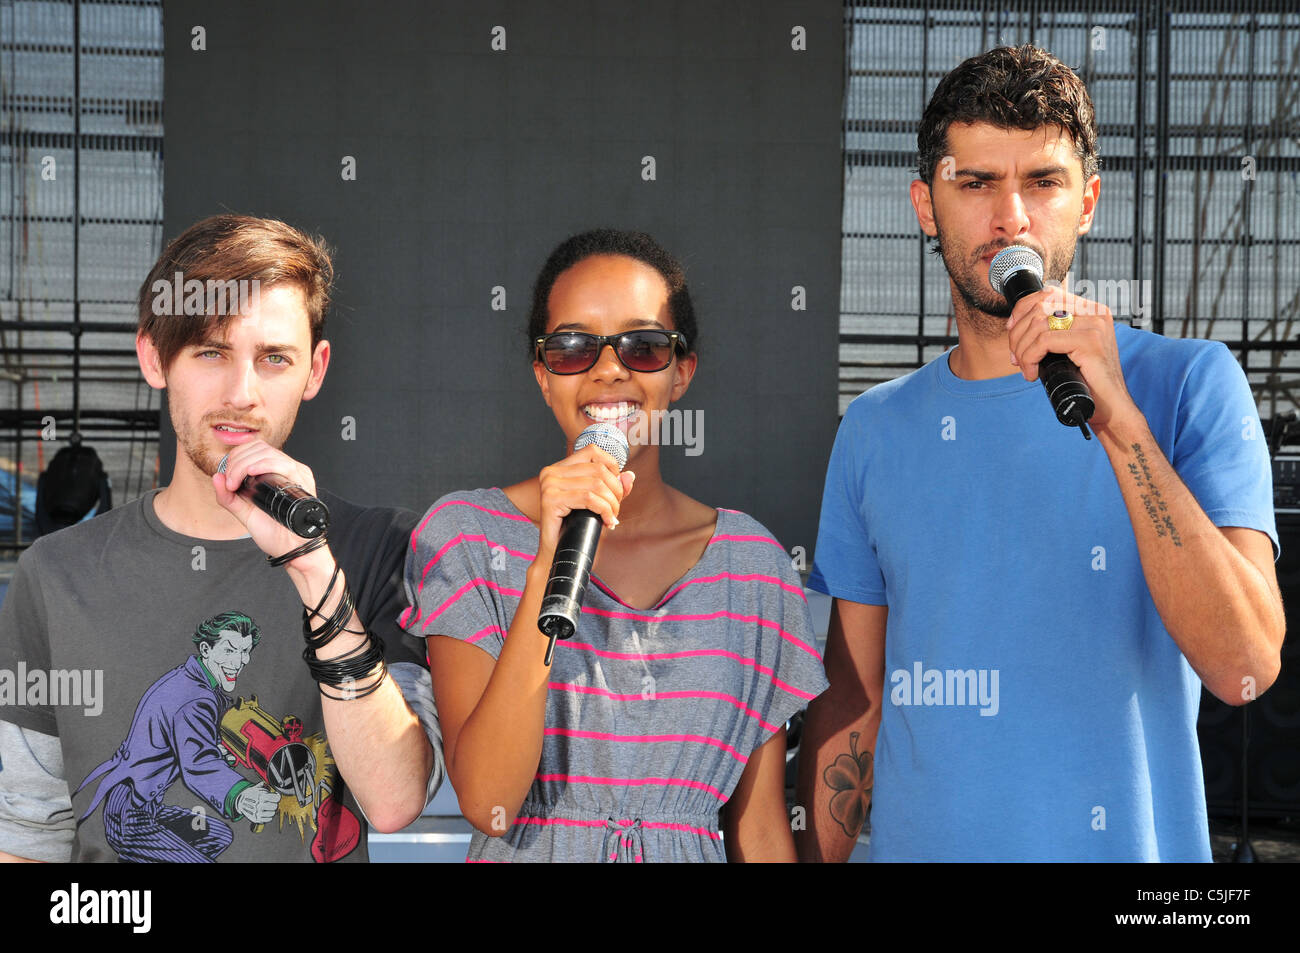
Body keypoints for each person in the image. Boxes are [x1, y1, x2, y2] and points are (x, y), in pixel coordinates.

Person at [795, 45, 1284, 862]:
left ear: (1087, 201)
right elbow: (855, 699)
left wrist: (1118, 422)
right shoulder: (874, 429)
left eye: (1043, 182)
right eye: (976, 181)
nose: (1010, 216)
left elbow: (1243, 664)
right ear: (926, 204)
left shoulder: (1189, 385)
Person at [0, 214, 441, 863]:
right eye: (211, 350)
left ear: (315, 370)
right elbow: (27, 836)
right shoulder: (55, 574)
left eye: (274, 358)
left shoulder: (380, 547)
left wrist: (316, 570)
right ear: (154, 355)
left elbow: (394, 797)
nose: (243, 393)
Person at [401, 228, 827, 862]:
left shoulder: (752, 566)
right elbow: (490, 798)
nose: (608, 369)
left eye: (644, 346)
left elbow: (759, 830)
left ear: (682, 372)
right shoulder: (466, 536)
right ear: (543, 376)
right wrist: (549, 558)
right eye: (573, 348)